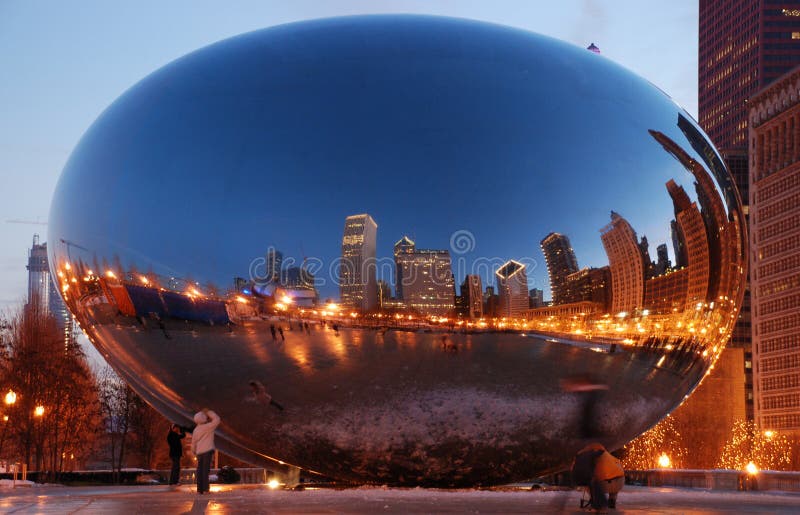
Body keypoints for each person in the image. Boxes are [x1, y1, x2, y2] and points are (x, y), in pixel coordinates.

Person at [190, 408, 221, 494]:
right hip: (207, 451)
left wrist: (193, 452)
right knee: (205, 471)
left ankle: (199, 489)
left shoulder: (196, 430)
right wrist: (208, 412)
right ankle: (205, 489)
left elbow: (193, 443)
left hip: (199, 452)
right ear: (203, 418)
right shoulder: (208, 427)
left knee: (199, 471)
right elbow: (217, 419)